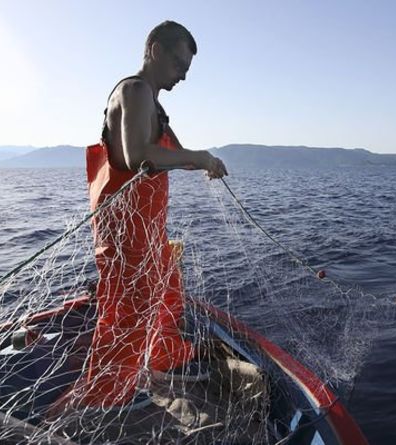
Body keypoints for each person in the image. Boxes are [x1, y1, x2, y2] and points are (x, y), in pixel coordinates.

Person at [80, 21, 227, 411]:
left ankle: (157, 363)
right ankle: (103, 399)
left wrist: (206, 162)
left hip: (147, 227)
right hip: (126, 229)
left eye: (187, 69)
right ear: (155, 50)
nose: (182, 75)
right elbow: (137, 157)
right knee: (129, 311)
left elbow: (174, 154)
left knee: (166, 292)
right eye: (179, 63)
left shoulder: (155, 105)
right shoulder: (135, 90)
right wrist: (195, 156)